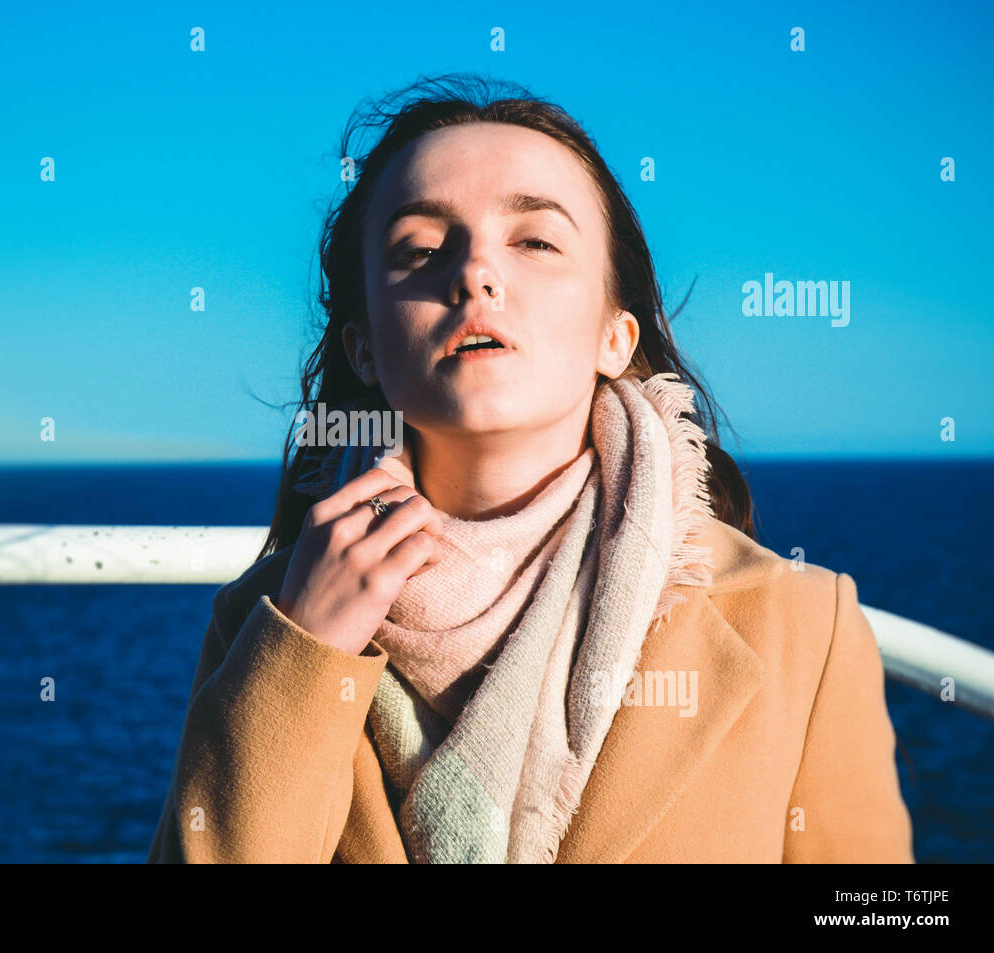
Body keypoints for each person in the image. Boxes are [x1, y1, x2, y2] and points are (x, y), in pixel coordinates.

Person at [146, 73, 914, 864]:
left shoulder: (803, 628)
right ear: (364, 348)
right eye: (420, 248)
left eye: (536, 241)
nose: (475, 273)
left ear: (615, 337)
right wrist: (307, 658)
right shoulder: (269, 623)